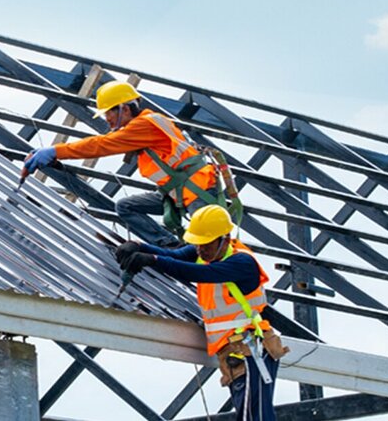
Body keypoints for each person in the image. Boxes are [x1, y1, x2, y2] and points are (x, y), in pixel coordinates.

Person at [116, 205, 289, 421]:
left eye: (205, 244)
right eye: (197, 243)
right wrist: (139, 246)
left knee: (254, 417)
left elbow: (196, 272)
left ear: (224, 239)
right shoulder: (204, 252)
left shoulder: (241, 262)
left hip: (249, 349)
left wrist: (153, 260)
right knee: (252, 416)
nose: (200, 250)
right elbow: (174, 256)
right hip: (235, 352)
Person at [21, 80, 221, 248]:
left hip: (197, 190)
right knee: (126, 206)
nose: (107, 119)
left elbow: (101, 145)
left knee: (207, 247)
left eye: (109, 113)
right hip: (179, 191)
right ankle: (171, 247)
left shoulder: (144, 125)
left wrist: (56, 151)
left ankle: (190, 260)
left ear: (124, 109)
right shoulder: (148, 123)